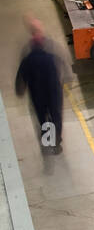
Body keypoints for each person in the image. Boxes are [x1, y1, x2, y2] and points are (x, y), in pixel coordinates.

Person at [14, 15, 71, 154]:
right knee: (54, 115)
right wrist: (67, 77)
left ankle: (49, 143)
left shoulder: (28, 49)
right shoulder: (51, 46)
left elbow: (22, 71)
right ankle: (55, 143)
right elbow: (62, 62)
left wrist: (20, 88)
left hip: (38, 90)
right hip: (51, 89)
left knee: (43, 116)